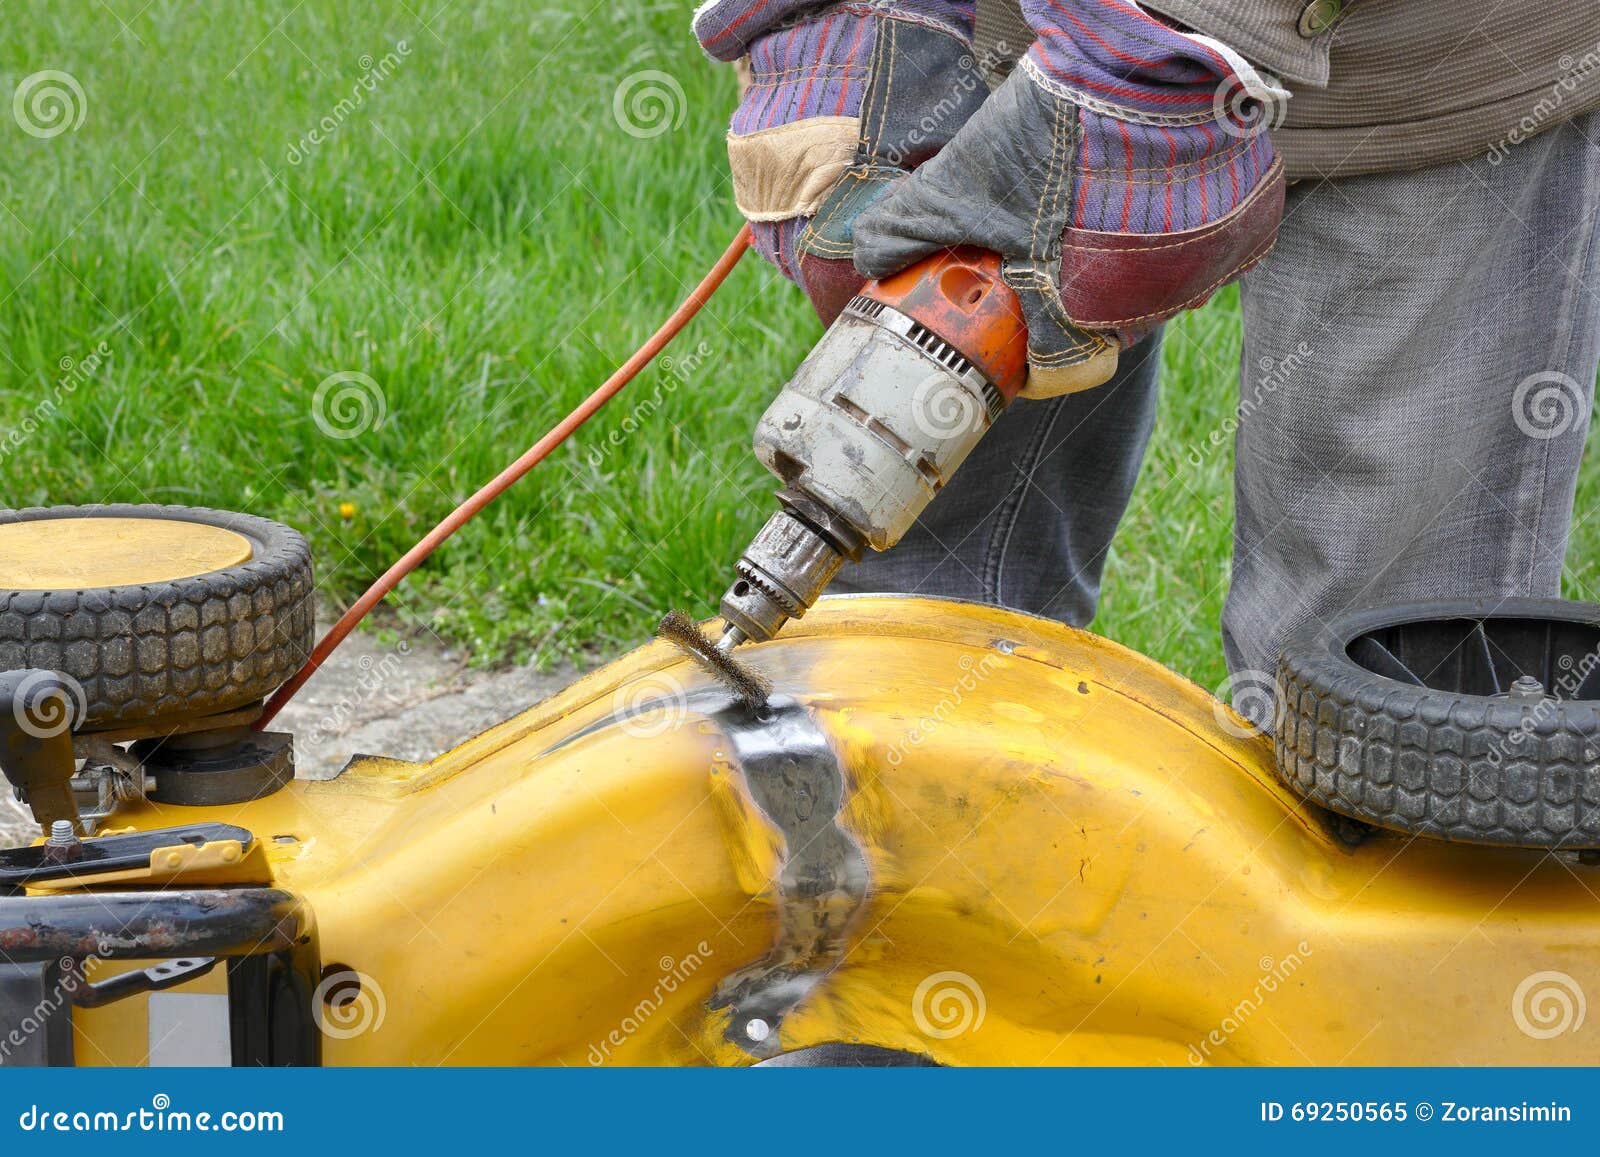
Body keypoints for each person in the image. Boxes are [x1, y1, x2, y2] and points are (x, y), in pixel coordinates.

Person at [693, 0, 1600, 714]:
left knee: (1377, 684)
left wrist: (1150, 47)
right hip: (1026, 35)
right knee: (911, 641)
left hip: (1432, 69)